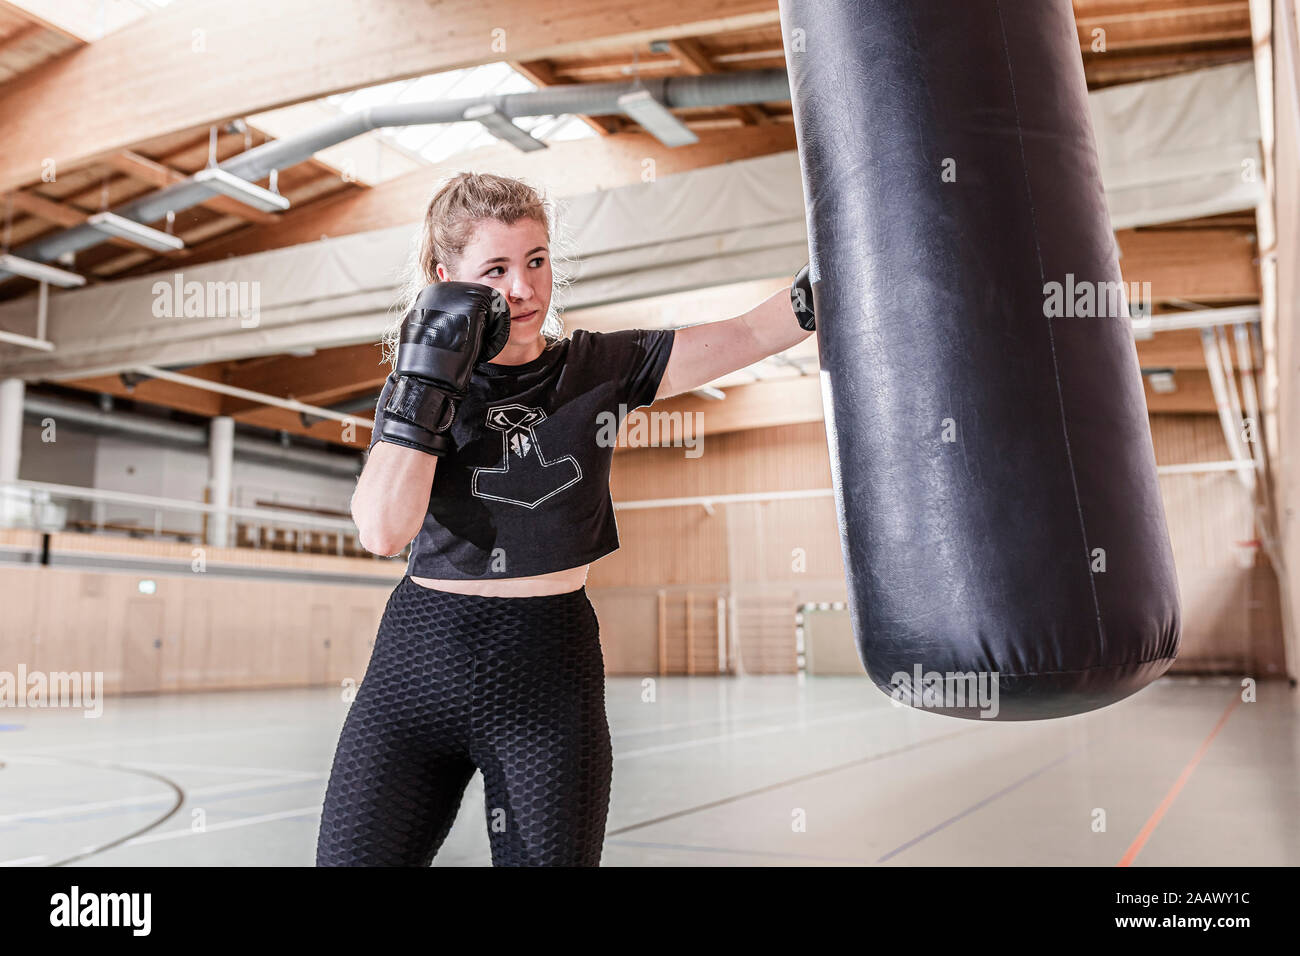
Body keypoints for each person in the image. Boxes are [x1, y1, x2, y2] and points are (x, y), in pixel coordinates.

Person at [315, 171, 816, 867]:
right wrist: (425, 383)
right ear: (445, 275)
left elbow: (751, 331)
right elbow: (381, 531)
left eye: (536, 260)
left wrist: (829, 273)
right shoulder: (419, 384)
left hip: (548, 670)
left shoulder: (599, 366)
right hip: (418, 664)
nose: (524, 289)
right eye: (496, 269)